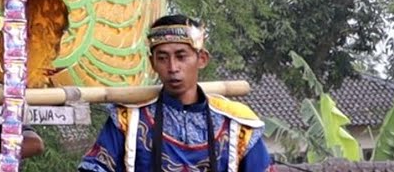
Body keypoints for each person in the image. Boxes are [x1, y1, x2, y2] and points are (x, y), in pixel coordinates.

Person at [78, 15, 274, 172]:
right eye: (162, 58)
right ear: (152, 62)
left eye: (181, 56)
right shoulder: (128, 119)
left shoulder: (237, 125)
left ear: (202, 59)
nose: (172, 67)